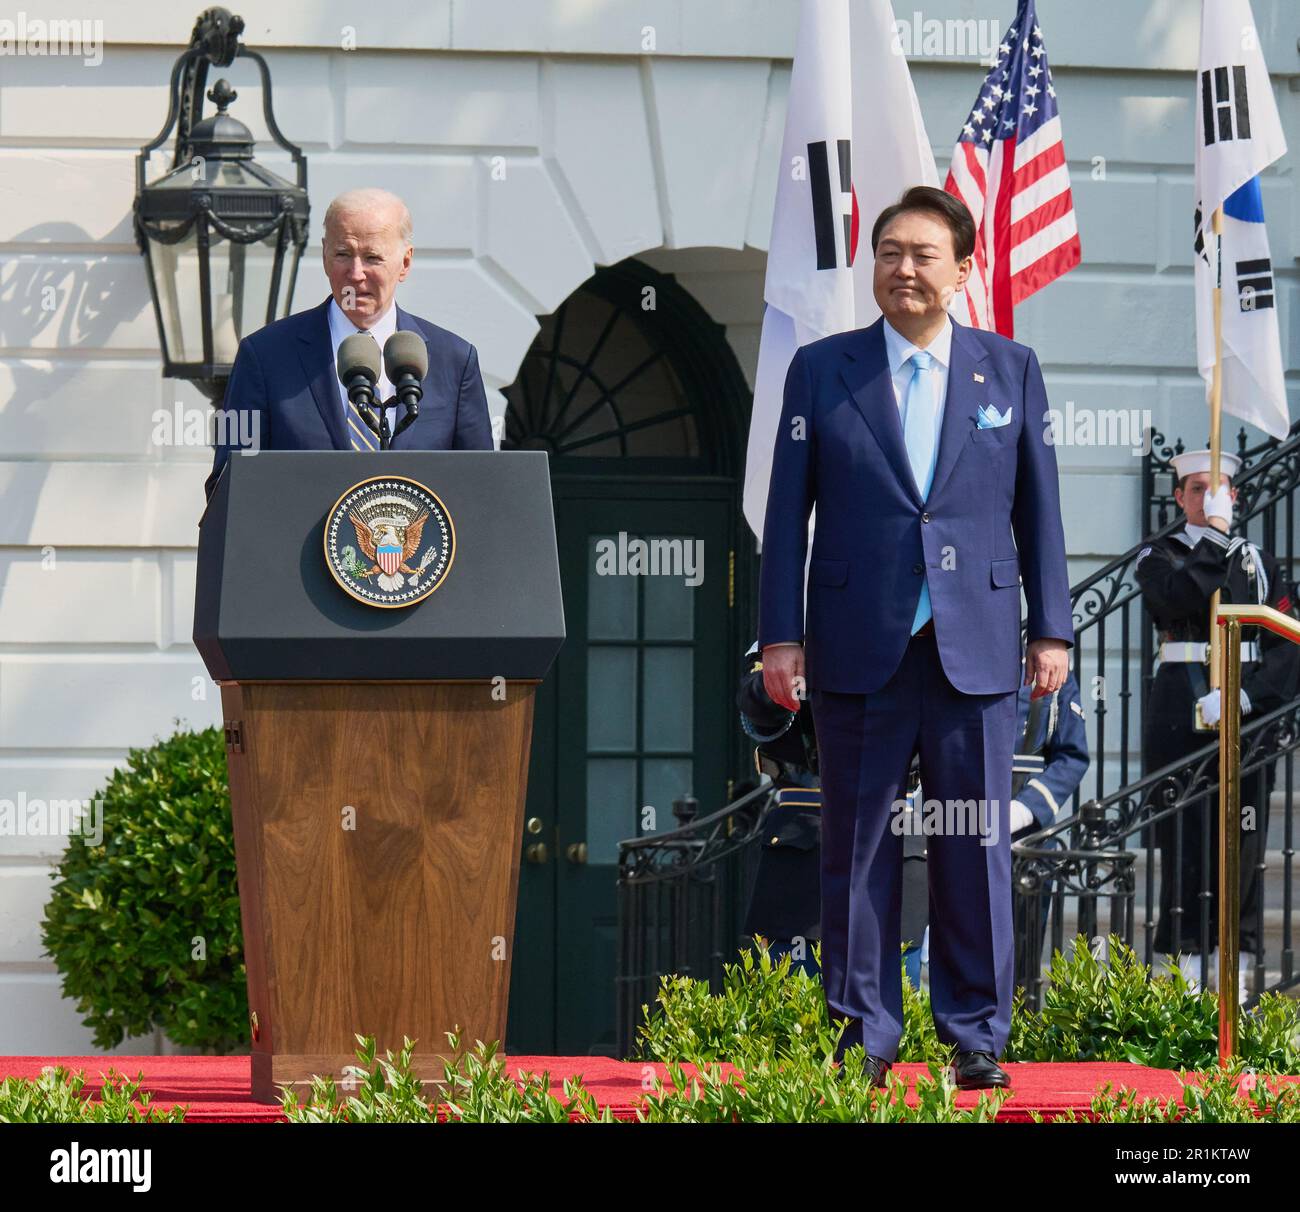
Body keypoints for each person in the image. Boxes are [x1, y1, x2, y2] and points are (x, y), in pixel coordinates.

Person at [758, 185, 1073, 1090]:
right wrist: (782, 637)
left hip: (976, 646)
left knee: (972, 839)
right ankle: (863, 1034)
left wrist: (1050, 628)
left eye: (923, 254)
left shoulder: (1009, 369)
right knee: (856, 843)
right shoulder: (823, 370)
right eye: (889, 252)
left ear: (962, 269)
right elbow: (788, 518)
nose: (903, 268)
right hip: (858, 644)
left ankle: (976, 1035)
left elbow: (1040, 508)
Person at [1136, 449, 1300, 1001]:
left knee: (1243, 842)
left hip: (1242, 715)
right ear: (1180, 497)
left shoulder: (1259, 561)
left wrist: (1245, 698)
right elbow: (1179, 595)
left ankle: (1241, 976)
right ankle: (1184, 979)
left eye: (1220, 488)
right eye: (1199, 489)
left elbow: (1286, 642)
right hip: (1180, 706)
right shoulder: (1158, 556)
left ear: (1235, 495)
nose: (1210, 498)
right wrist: (1214, 538)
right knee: (1182, 840)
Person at [204, 188, 493, 500]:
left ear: (405, 263)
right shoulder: (265, 357)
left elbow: (481, 489)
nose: (356, 274)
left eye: (372, 257)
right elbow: (230, 490)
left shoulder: (454, 360)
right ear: (326, 255)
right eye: (343, 254)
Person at [736, 642, 822, 979]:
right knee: (795, 1009)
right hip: (805, 849)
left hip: (897, 841)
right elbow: (758, 706)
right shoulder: (786, 636)